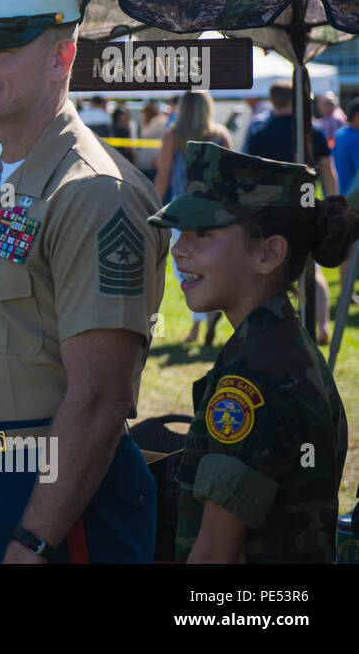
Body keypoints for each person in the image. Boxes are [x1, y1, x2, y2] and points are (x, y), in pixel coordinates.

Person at [0, 0, 168, 564]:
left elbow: (101, 397)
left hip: (66, 502)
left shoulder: (92, 191)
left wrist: (31, 539)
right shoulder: (14, 175)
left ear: (63, 55)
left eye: (1, 47)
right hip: (2, 477)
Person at [148, 141, 354, 562]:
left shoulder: (252, 380)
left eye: (203, 232)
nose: (179, 248)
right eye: (182, 231)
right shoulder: (282, 347)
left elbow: (214, 556)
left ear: (268, 253)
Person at [243, 80, 339, 344]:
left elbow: (250, 176)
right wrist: (332, 204)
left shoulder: (259, 129)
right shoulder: (312, 130)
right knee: (311, 269)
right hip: (306, 203)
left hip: (270, 208)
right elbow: (328, 172)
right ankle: (320, 326)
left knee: (269, 270)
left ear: (273, 100)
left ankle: (272, 328)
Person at [154, 91, 235, 346]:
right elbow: (231, 174)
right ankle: (206, 318)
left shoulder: (173, 136)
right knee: (211, 267)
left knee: (186, 270)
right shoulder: (220, 134)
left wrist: (152, 210)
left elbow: (163, 177)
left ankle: (199, 322)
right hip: (215, 209)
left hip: (184, 210)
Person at [135, 99, 168, 183]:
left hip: (153, 161)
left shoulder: (157, 122)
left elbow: (145, 134)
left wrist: (143, 123)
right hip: (154, 160)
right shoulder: (161, 120)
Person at [332, 98, 359, 197]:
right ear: (357, 115)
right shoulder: (356, 138)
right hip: (353, 200)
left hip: (337, 195)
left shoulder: (339, 134)